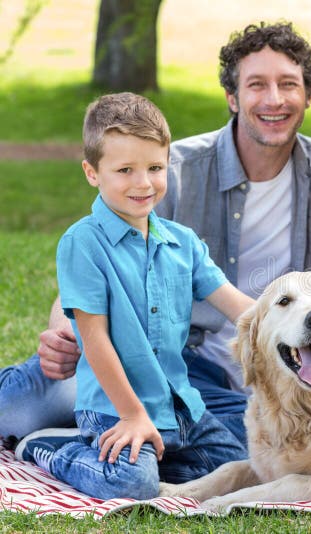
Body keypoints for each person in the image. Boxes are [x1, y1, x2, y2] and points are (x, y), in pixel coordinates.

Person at [0, 21, 311, 448]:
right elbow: (92, 263)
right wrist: (63, 337)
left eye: (288, 84)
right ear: (232, 97)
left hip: (240, 383)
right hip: (162, 359)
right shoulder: (168, 172)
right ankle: (83, 424)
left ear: (308, 94)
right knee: (20, 411)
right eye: (257, 84)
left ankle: (91, 440)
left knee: (250, 447)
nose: (274, 99)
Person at [16, 93, 253, 500]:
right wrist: (132, 415)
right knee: (134, 484)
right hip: (114, 406)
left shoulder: (183, 243)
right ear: (93, 172)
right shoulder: (83, 243)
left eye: (155, 168)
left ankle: (153, 455)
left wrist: (297, 322)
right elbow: (95, 341)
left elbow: (242, 309)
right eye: (125, 169)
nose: (143, 183)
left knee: (243, 465)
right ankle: (55, 448)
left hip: (178, 407)